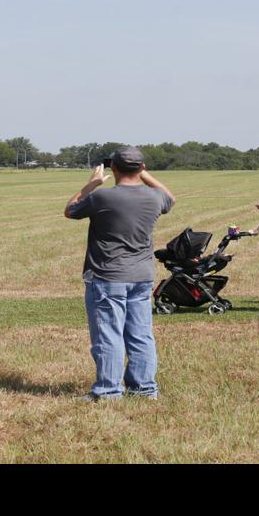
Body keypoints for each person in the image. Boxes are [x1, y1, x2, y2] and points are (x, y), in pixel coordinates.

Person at [63, 146, 178, 403]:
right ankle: (144, 388)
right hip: (142, 275)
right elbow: (170, 197)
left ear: (113, 168)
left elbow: (70, 210)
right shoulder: (154, 198)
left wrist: (91, 184)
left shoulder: (103, 198)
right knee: (140, 334)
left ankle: (108, 390)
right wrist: (144, 175)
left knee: (108, 334)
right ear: (142, 168)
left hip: (108, 276)